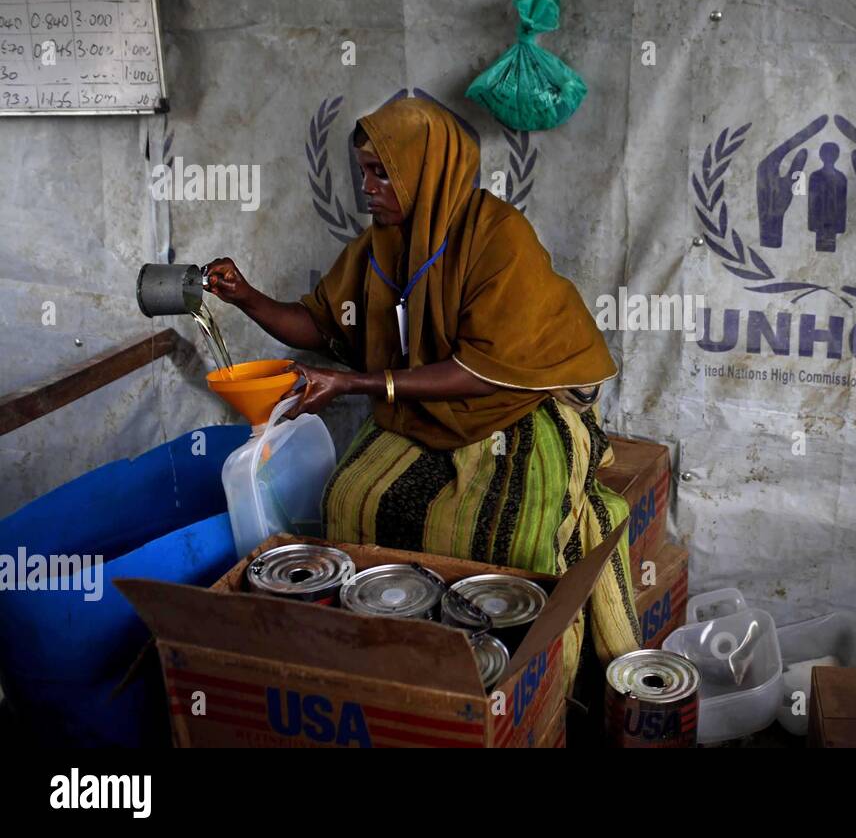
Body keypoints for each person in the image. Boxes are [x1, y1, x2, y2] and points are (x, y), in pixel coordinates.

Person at [203, 97, 640, 689]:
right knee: (349, 502)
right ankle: (389, 668)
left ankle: (530, 689)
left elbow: (485, 371)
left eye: (382, 172)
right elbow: (325, 324)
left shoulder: (498, 237)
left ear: (427, 170)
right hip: (419, 407)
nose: (367, 188)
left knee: (509, 534)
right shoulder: (382, 245)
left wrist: (358, 383)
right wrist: (246, 297)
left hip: (517, 404)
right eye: (362, 172)